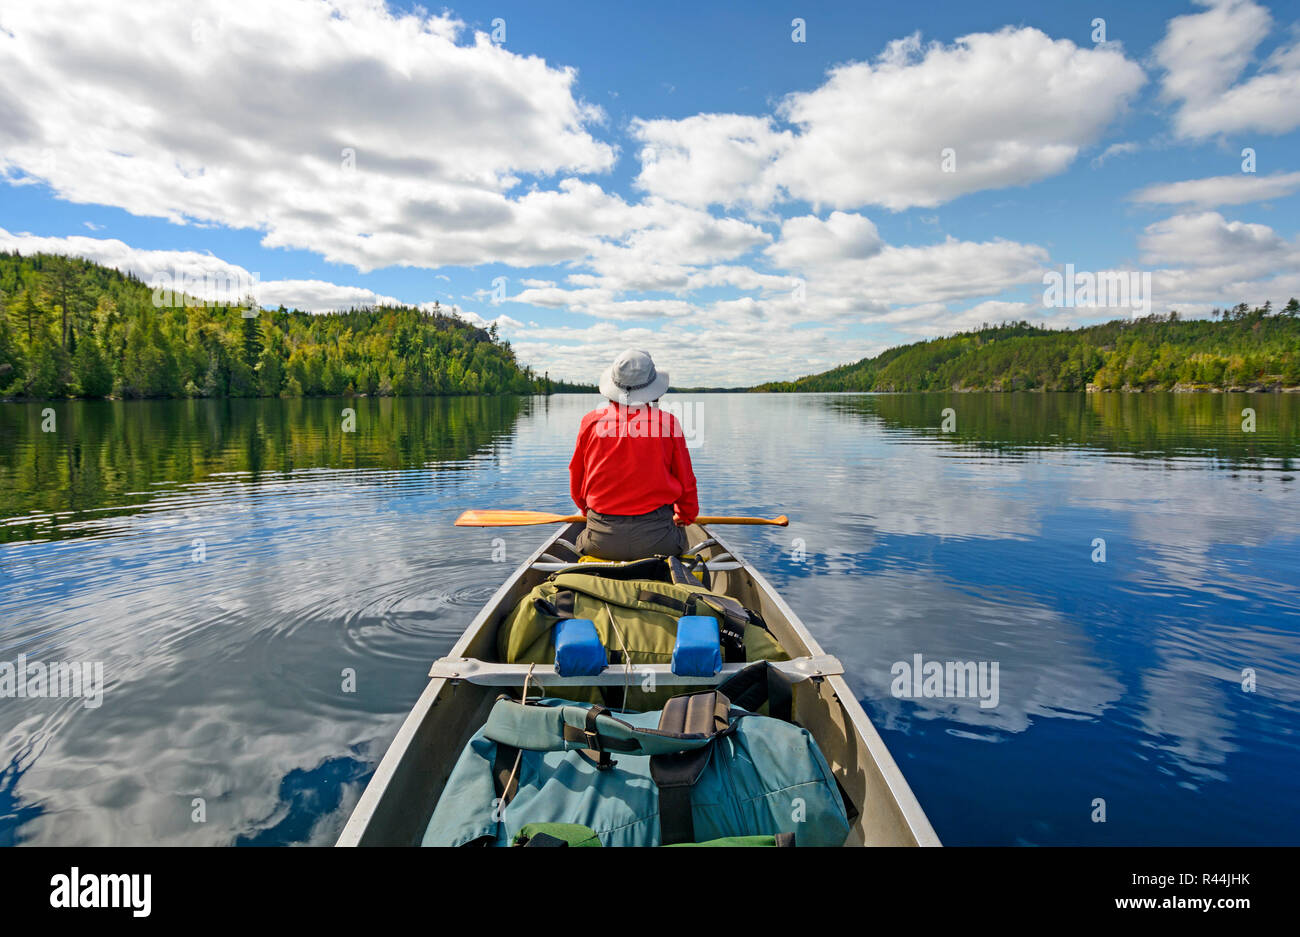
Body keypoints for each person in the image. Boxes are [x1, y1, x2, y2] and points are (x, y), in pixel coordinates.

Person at [569, 349, 698, 561]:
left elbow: (577, 478)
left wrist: (586, 510)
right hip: (659, 543)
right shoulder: (668, 423)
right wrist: (686, 516)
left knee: (581, 540)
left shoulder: (590, 422)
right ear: (652, 390)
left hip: (600, 541)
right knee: (682, 538)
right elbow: (686, 483)